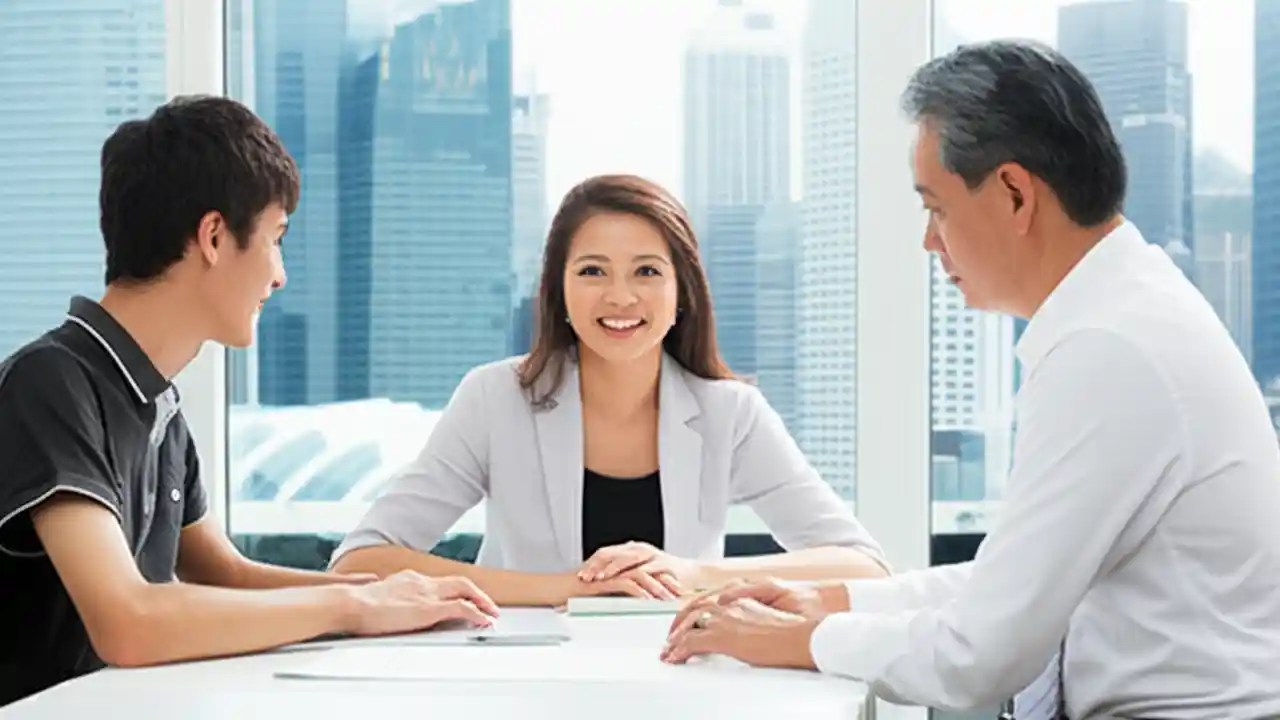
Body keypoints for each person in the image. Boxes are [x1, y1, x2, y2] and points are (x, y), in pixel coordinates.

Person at [661, 40, 1280, 719]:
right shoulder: (1129, 311)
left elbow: (979, 658)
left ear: (1015, 193)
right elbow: (1010, 586)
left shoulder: (1110, 349)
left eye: (937, 207)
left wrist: (803, 638)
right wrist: (833, 601)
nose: (930, 240)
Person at [0, 96, 499, 708]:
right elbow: (127, 620)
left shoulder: (157, 405)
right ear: (213, 236)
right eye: (275, 239)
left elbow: (224, 572)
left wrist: (394, 593)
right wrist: (354, 604)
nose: (280, 274)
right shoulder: (52, 383)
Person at [331, 174, 890, 606]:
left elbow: (863, 564)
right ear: (558, 290)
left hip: (680, 680)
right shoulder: (495, 397)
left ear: (682, 291)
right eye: (594, 271)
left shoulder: (731, 414)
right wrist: (561, 589)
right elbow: (361, 561)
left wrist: (691, 574)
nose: (620, 297)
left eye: (646, 272)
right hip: (524, 681)